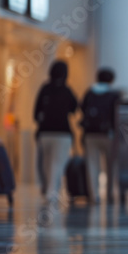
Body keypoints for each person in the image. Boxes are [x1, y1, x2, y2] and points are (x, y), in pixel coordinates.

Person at [34, 60, 78, 203]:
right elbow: (74, 108)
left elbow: (35, 113)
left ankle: (48, 189)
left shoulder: (45, 89)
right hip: (62, 133)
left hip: (45, 132)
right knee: (57, 164)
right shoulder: (66, 90)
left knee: (46, 163)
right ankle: (52, 192)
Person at [80, 68, 121, 204]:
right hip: (108, 135)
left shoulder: (89, 93)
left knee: (92, 165)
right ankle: (109, 194)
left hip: (90, 134)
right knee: (111, 165)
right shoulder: (114, 95)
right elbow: (117, 116)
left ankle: (94, 195)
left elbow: (82, 110)